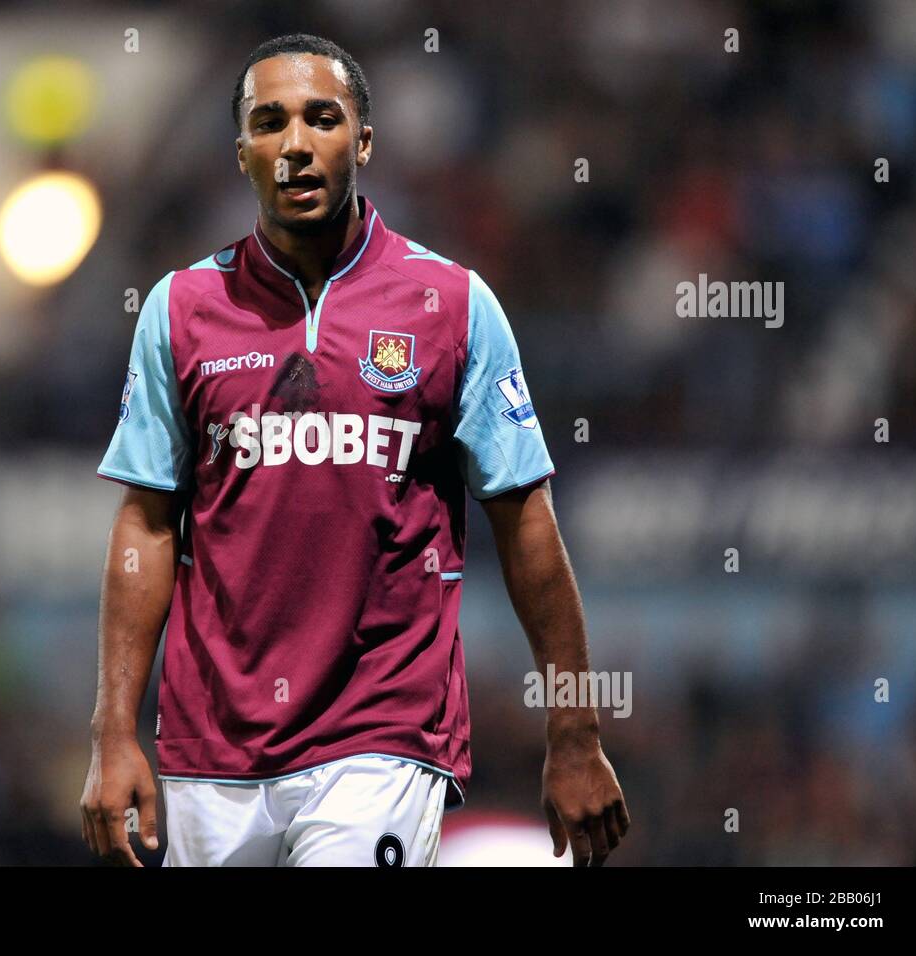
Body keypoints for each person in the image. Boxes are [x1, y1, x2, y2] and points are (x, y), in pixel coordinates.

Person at [81, 33, 629, 867]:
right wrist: (113, 732)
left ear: (363, 141)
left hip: (383, 735)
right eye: (269, 123)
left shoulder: (452, 306)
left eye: (321, 118)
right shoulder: (179, 309)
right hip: (208, 750)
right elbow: (146, 525)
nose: (295, 144)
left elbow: (526, 525)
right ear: (241, 153)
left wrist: (577, 732)